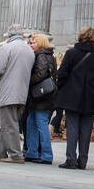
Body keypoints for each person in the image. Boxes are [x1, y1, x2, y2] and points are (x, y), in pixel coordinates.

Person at [56, 27, 94, 169]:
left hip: (72, 95)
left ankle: (71, 158)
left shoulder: (71, 53)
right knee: (86, 129)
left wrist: (63, 87)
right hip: (90, 95)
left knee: (72, 128)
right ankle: (83, 160)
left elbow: (62, 73)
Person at [0, 25, 34, 163]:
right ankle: (1, 152)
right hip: (22, 92)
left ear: (9, 34)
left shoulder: (7, 48)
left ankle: (16, 155)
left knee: (10, 124)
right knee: (8, 122)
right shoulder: (29, 50)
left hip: (8, 90)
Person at [24, 34, 57, 164]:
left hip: (41, 95)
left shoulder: (41, 56)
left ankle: (47, 154)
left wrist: (28, 81)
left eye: (33, 43)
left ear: (40, 43)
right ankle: (32, 151)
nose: (30, 45)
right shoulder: (48, 55)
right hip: (42, 95)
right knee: (31, 121)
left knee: (41, 123)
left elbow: (41, 73)